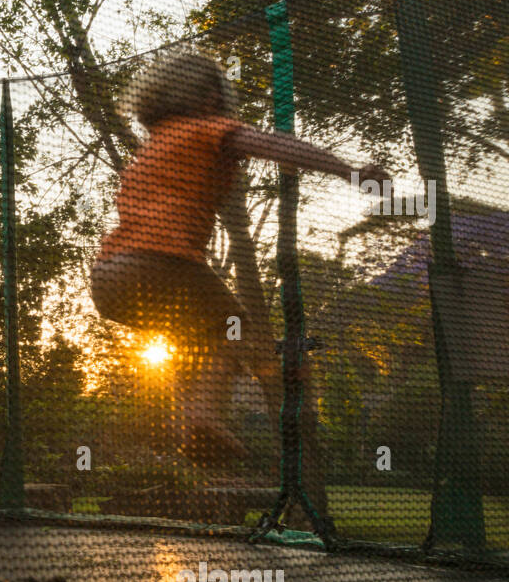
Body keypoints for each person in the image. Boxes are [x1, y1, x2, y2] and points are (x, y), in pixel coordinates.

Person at [90, 50, 386, 462]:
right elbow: (274, 144)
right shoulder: (208, 127)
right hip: (158, 261)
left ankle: (187, 422)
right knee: (236, 325)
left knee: (195, 337)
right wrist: (349, 171)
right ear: (210, 97)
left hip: (109, 280)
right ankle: (203, 415)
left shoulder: (154, 144)